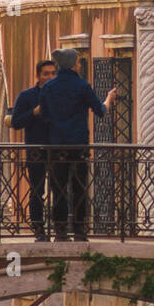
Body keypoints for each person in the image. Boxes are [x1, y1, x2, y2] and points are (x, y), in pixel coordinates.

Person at [37, 48, 117, 241]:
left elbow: (44, 116)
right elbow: (100, 110)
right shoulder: (82, 86)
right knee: (79, 187)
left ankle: (61, 230)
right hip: (78, 145)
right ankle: (80, 231)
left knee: (59, 188)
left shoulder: (48, 87)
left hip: (57, 145)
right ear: (73, 64)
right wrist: (109, 99)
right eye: (78, 62)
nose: (80, 65)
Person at [11, 60, 57, 239]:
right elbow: (15, 122)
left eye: (53, 73)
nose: (50, 77)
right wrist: (34, 113)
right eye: (46, 73)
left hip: (57, 149)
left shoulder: (60, 96)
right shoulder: (26, 96)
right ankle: (39, 230)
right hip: (36, 150)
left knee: (59, 189)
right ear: (38, 76)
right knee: (37, 190)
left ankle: (60, 229)